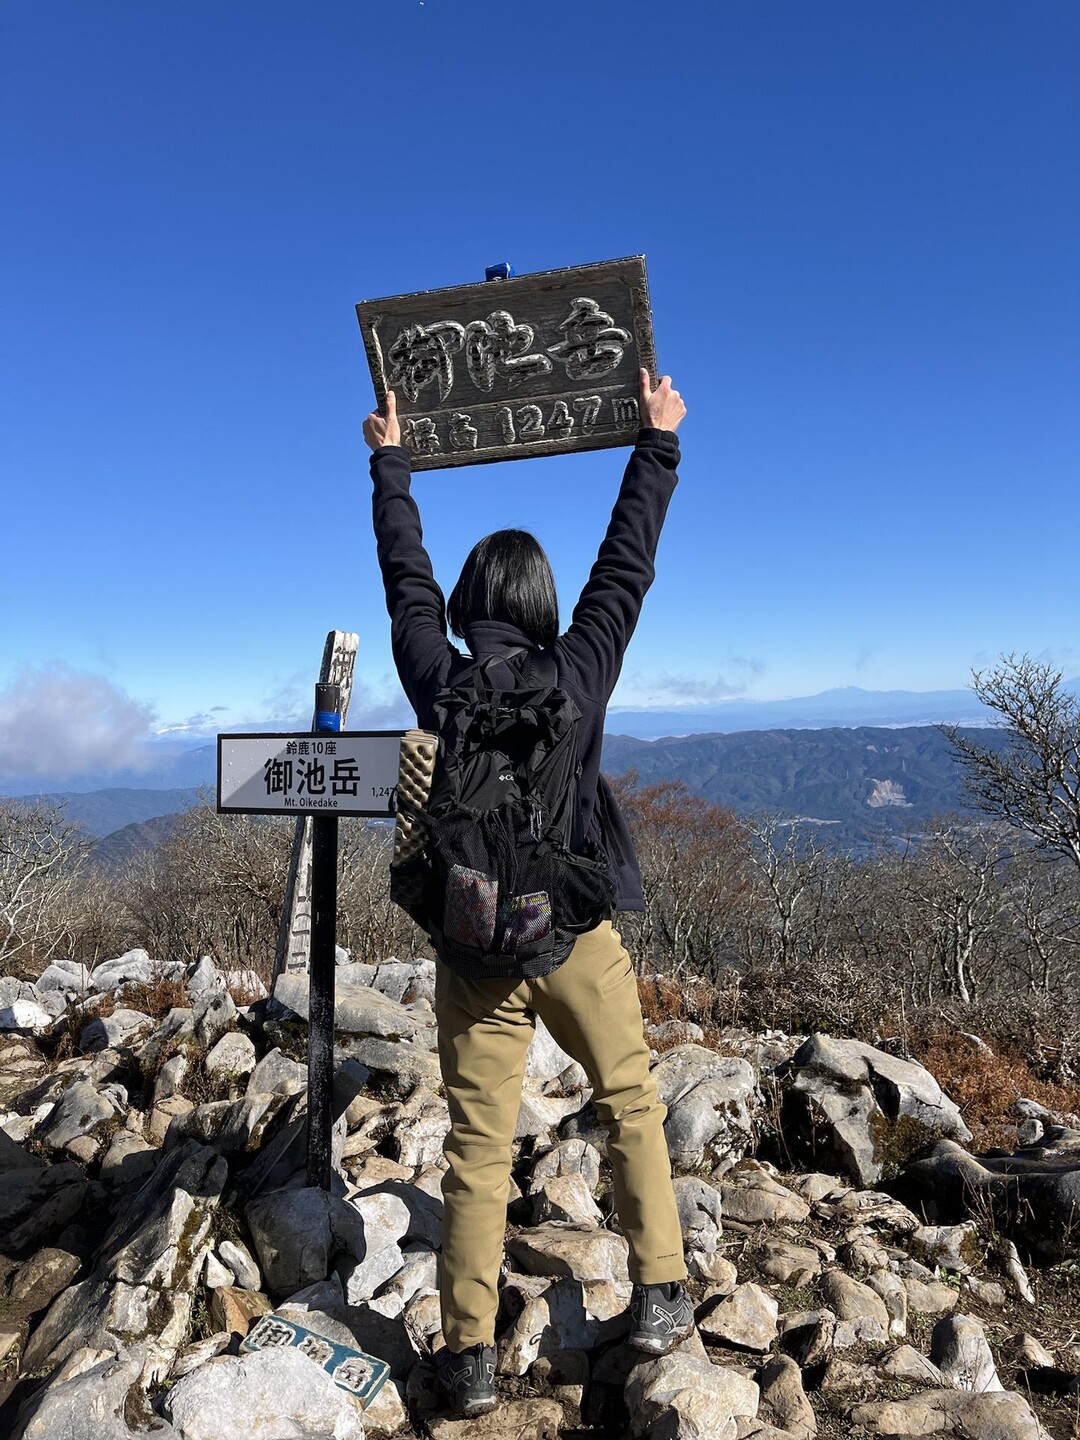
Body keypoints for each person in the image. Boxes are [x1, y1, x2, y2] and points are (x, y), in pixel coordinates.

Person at [363, 369, 690, 1418]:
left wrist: (391, 460)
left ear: (469, 608)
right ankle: (660, 1295)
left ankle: (465, 1360)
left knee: (476, 1144)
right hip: (576, 937)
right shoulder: (581, 671)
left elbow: (402, 580)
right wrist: (658, 443)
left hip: (473, 951)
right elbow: (623, 565)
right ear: (544, 606)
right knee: (631, 1098)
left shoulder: (438, 679)